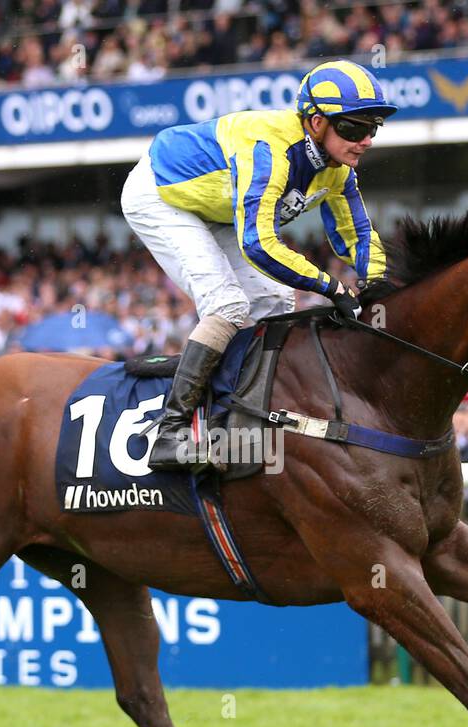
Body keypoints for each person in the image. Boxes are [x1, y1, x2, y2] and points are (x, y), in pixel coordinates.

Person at [120, 59, 397, 470]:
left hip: (215, 210)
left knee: (275, 301)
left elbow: (355, 235)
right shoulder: (270, 150)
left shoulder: (338, 170)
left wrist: (379, 284)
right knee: (229, 305)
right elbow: (259, 244)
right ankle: (169, 434)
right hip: (161, 196)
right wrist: (332, 287)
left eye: (373, 128)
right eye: (354, 128)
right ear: (316, 123)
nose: (366, 140)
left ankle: (241, 425)